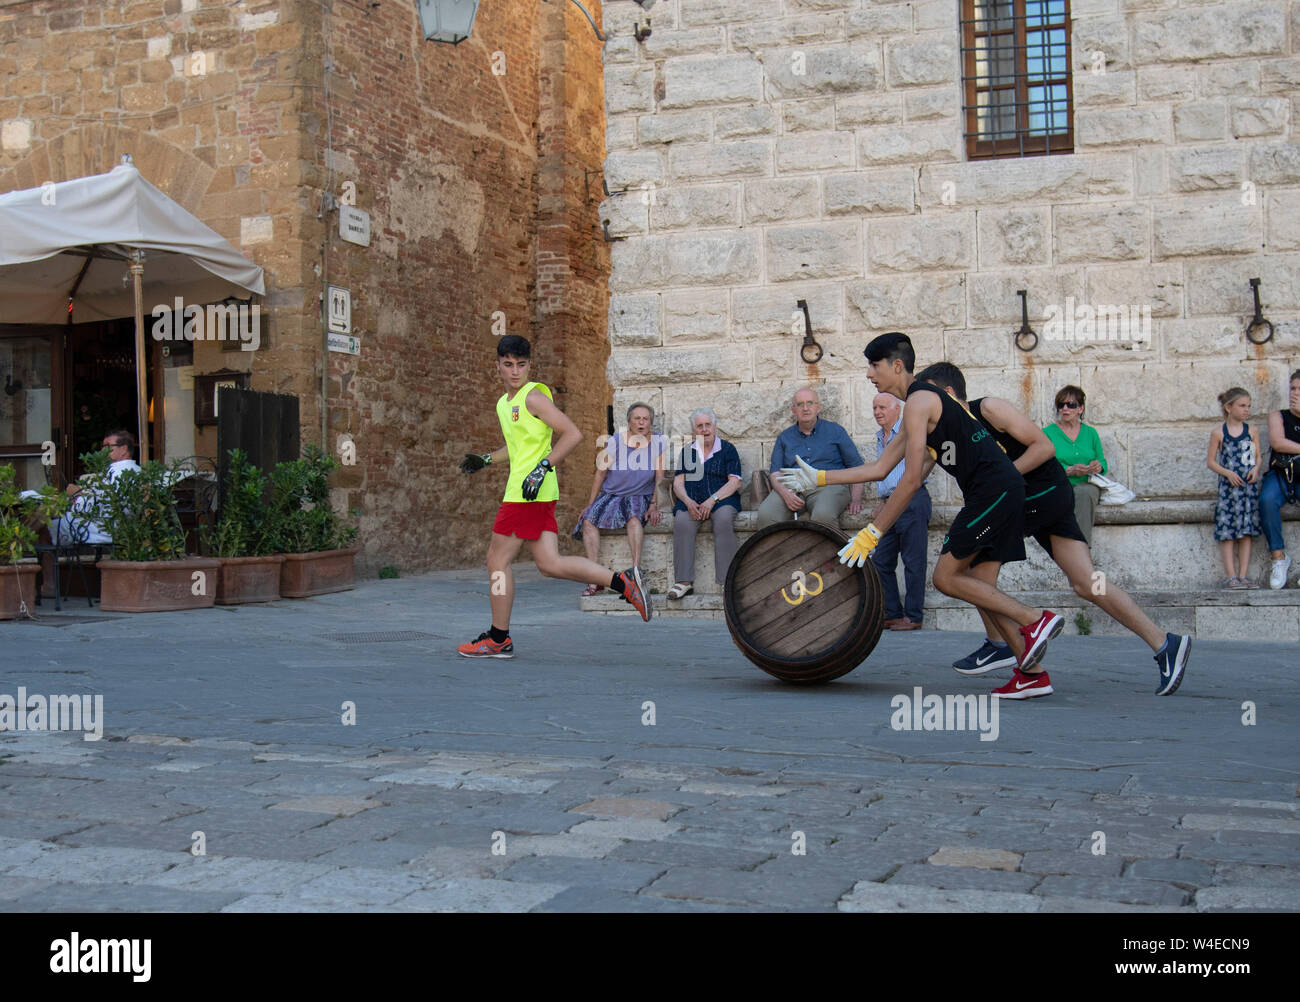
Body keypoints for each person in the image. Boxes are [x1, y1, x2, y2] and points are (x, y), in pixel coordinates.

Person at [780, 333, 1064, 680]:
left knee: (946, 577)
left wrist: (873, 533)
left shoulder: (918, 402)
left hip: (995, 493)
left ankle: (1035, 620)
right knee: (977, 581)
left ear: (896, 366)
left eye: (874, 365)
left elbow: (912, 480)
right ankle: (1032, 674)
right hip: (991, 495)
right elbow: (881, 468)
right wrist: (821, 478)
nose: (869, 374)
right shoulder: (917, 405)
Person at [921, 362, 1191, 698]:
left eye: (926, 394)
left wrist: (998, 482)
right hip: (1034, 497)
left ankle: (1004, 647)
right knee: (1087, 582)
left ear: (946, 393)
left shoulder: (988, 408)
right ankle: (1166, 643)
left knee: (973, 574)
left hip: (1039, 493)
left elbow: (1044, 448)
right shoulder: (945, 433)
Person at [458, 335, 650, 658]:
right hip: (531, 490)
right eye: (508, 365)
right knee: (549, 563)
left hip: (527, 493)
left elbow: (573, 433)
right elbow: (518, 448)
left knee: (497, 559)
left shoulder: (533, 397)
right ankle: (623, 583)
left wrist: (543, 467)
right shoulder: (505, 404)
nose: (515, 371)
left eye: (521, 365)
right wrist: (487, 459)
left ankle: (498, 637)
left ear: (530, 365)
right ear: (498, 367)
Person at [573, 402, 665, 595]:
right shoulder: (616, 441)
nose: (641, 423)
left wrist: (655, 504)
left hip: (640, 494)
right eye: (637, 419)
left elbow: (659, 476)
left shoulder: (658, 441)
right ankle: (594, 577)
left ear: (651, 423)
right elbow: (600, 473)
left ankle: (635, 574)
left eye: (645, 419)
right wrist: (590, 505)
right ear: (629, 422)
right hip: (612, 494)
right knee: (588, 520)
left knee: (634, 519)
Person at [867, 392, 930, 631]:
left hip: (912, 499)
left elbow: (923, 464)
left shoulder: (909, 432)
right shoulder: (879, 437)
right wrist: (883, 501)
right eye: (874, 408)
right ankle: (892, 612)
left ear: (897, 409)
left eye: (882, 407)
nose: (877, 412)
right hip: (890, 504)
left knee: (913, 561)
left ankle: (913, 616)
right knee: (881, 560)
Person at [757, 387, 863, 529]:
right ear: (793, 410)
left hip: (829, 486)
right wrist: (786, 494)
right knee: (766, 514)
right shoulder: (784, 437)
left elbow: (856, 467)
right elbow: (775, 473)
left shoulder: (835, 431)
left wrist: (856, 498)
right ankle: (778, 552)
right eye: (800, 404)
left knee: (823, 515)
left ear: (818, 407)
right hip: (793, 488)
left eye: (810, 403)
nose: (805, 408)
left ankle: (830, 552)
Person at [668, 408, 742, 599]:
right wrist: (687, 501)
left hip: (722, 499)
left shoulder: (727, 449)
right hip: (692, 499)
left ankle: (728, 581)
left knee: (724, 520)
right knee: (682, 521)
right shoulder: (687, 451)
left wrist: (712, 500)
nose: (704, 429)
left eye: (707, 425)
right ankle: (683, 581)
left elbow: (735, 482)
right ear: (694, 431)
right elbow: (678, 482)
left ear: (714, 426)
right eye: (699, 426)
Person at [1207, 387, 1262, 589]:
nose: (1246, 409)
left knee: (1246, 532)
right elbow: (1210, 462)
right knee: (1228, 532)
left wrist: (1256, 468)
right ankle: (1231, 575)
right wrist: (1228, 473)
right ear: (1228, 407)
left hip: (1247, 490)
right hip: (1229, 491)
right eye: (1242, 405)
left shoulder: (1252, 430)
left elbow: (1258, 456)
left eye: (1248, 406)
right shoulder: (1218, 433)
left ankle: (1243, 575)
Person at [51, 430, 140, 545]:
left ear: (123, 449)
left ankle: (40, 562)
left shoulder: (118, 472)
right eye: (102, 446)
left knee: (47, 526)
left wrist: (78, 493)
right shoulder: (135, 470)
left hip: (103, 530)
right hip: (117, 528)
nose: (103, 450)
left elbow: (100, 503)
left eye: (108, 446)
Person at [1043, 385, 1107, 545]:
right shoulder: (1048, 433)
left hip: (1087, 483)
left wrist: (1097, 466)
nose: (1065, 409)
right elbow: (1044, 466)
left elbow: (1102, 460)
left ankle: (1080, 546)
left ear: (1080, 408)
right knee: (1069, 496)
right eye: (1061, 405)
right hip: (1060, 484)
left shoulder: (1090, 433)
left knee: (1084, 493)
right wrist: (1068, 471)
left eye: (1071, 405)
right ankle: (1079, 553)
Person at [1262, 369, 1300, 589]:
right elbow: (1278, 442)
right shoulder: (1278, 416)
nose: (1295, 393)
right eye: (1293, 388)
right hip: (1282, 473)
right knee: (1267, 500)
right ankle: (1279, 558)